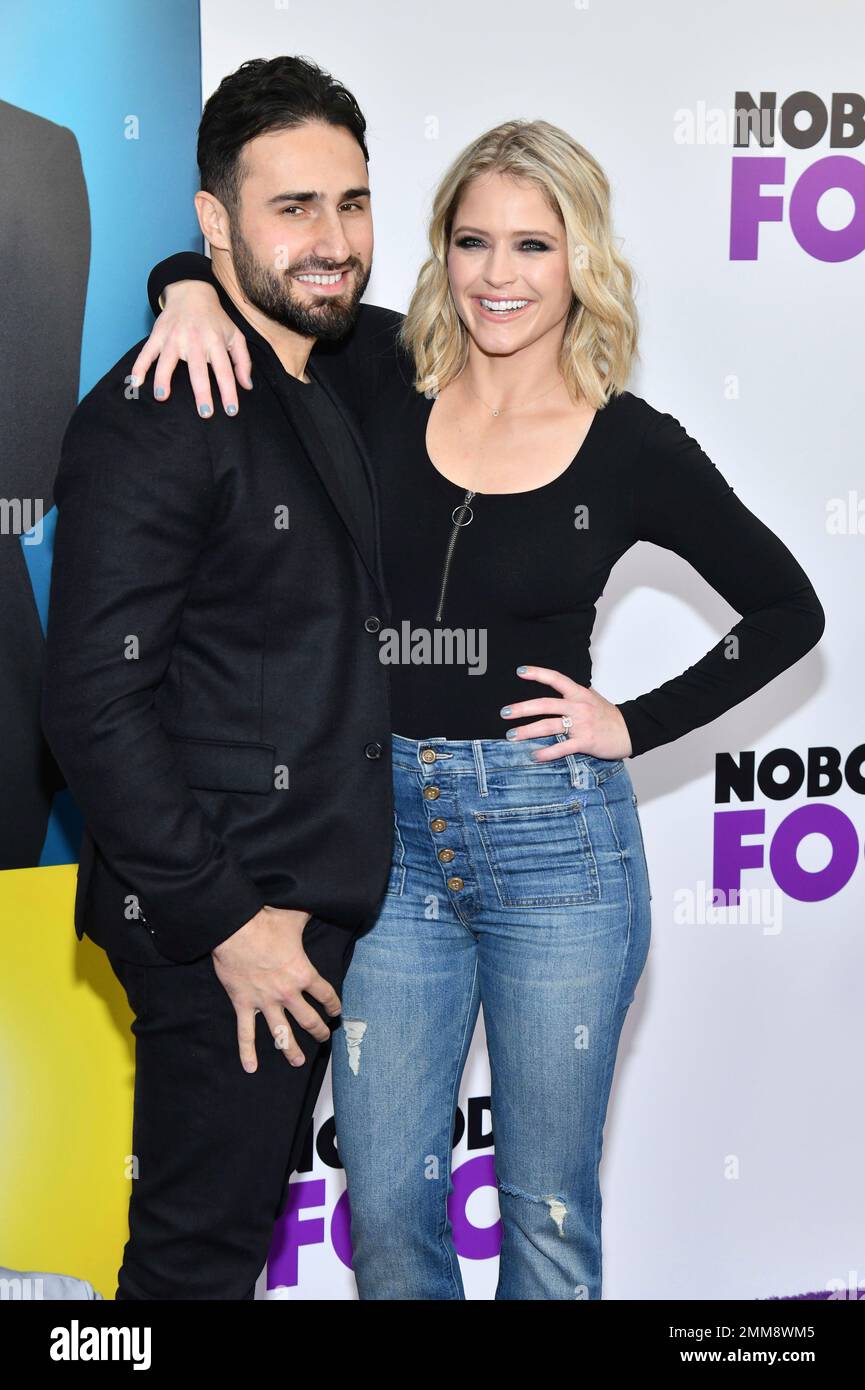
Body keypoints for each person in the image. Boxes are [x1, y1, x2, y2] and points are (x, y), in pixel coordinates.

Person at [134, 116, 825, 1300]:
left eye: (532, 245)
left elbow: (787, 611)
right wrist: (184, 292)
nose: (498, 275)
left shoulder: (630, 446)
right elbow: (256, 283)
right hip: (380, 838)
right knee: (393, 1205)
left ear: (580, 261)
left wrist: (631, 723)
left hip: (555, 845)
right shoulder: (380, 372)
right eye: (472, 241)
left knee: (548, 1214)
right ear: (440, 253)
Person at [41, 56, 397, 1301]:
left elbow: (491, 312)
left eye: (350, 203)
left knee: (219, 1248)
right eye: (291, 208)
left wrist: (183, 282)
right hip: (222, 924)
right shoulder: (156, 410)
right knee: (193, 1268)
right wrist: (228, 923)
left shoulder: (339, 360)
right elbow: (90, 700)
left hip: (307, 900)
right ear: (216, 218)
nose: (333, 241)